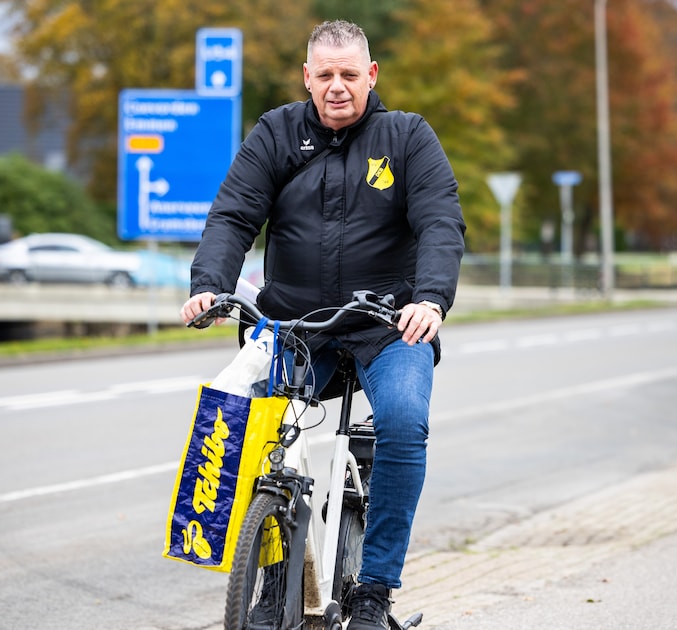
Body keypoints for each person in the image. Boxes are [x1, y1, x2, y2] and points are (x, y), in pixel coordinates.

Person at [181, 19, 465, 629]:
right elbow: (233, 215)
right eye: (326, 75)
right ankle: (278, 580)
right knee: (261, 436)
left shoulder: (408, 137)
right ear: (307, 78)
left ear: (372, 76)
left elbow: (442, 222)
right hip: (296, 325)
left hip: (390, 324)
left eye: (350, 74)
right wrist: (209, 285)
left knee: (402, 422)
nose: (338, 87)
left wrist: (431, 300)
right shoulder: (276, 132)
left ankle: (375, 589)